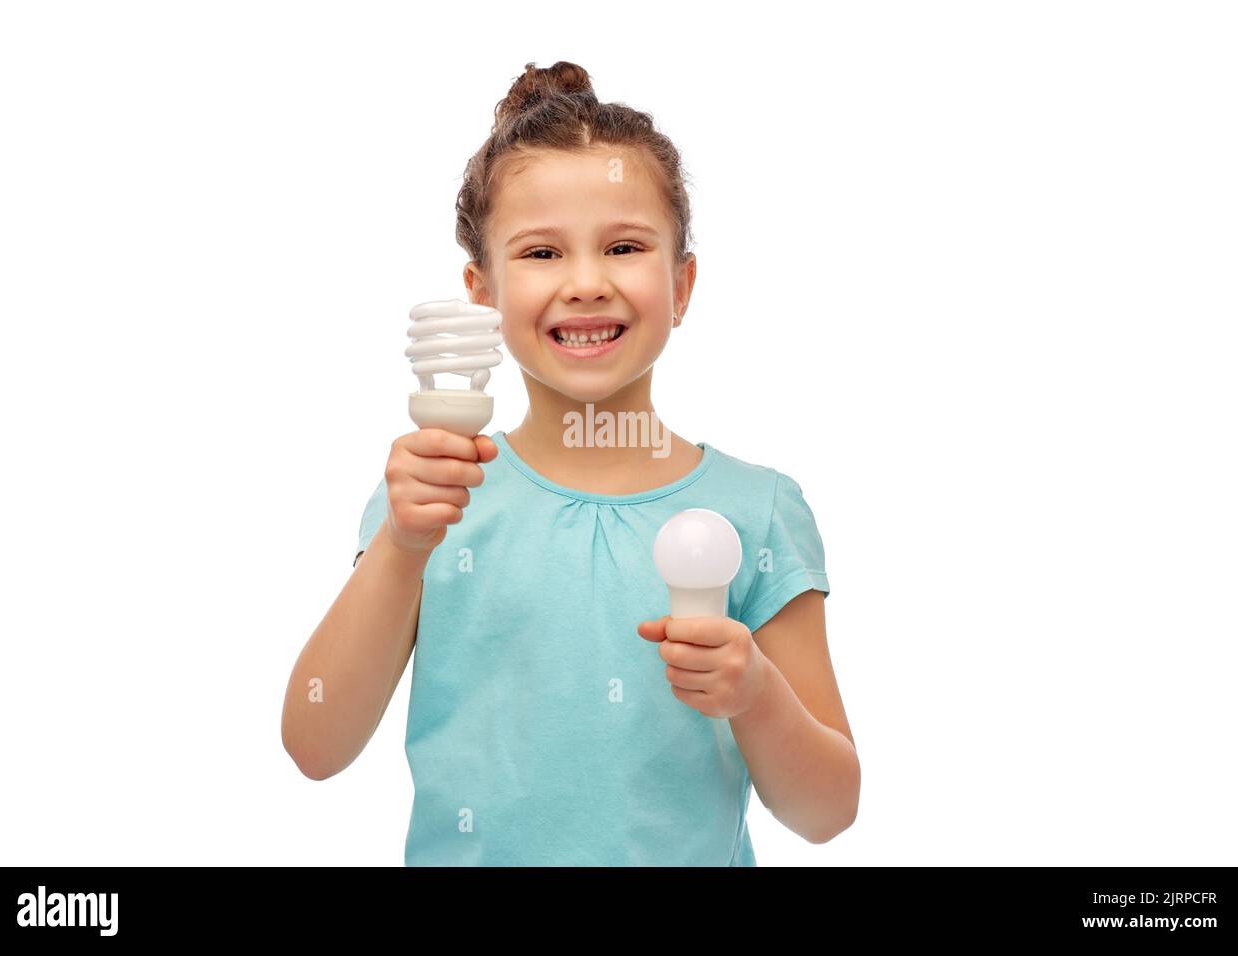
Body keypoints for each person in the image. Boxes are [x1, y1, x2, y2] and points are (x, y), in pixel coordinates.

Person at [282, 61, 859, 865]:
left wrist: (757, 695)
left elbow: (828, 811)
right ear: (482, 294)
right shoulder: (430, 504)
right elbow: (316, 745)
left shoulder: (756, 511)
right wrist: (402, 548)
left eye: (623, 246)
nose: (586, 283)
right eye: (542, 253)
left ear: (681, 284)